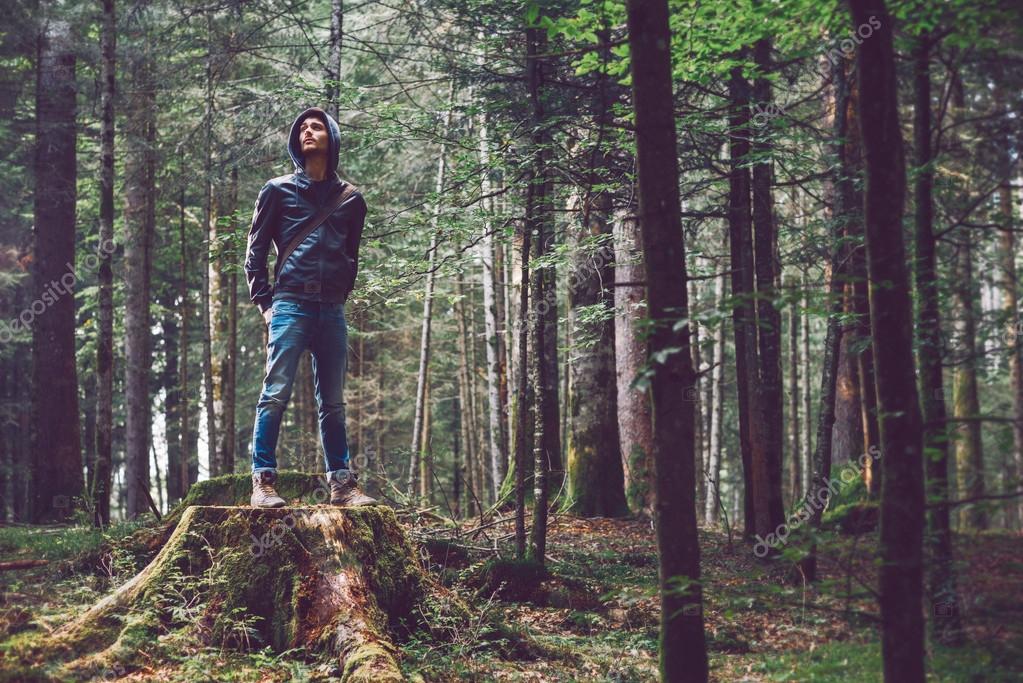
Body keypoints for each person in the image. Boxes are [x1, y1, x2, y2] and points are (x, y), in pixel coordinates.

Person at [244, 106, 376, 508]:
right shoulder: (277, 190)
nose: (307, 131)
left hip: (331, 311)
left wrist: (339, 294)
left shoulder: (351, 200)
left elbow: (351, 255)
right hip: (289, 305)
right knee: (275, 392)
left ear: (331, 139)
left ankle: (342, 486)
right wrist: (265, 302)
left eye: (316, 127)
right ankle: (263, 482)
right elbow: (255, 251)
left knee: (333, 402)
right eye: (302, 128)